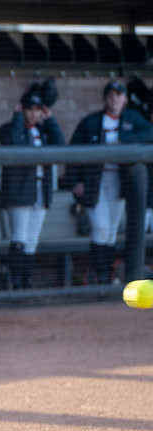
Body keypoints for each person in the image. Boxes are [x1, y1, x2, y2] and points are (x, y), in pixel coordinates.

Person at [67, 79, 153, 285]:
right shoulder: (91, 121)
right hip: (94, 180)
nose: (115, 99)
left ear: (124, 99)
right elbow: (71, 153)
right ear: (105, 98)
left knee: (111, 230)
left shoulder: (131, 118)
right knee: (100, 228)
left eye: (119, 95)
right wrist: (75, 182)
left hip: (120, 180)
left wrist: (124, 140)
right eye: (111, 95)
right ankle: (102, 276)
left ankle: (108, 277)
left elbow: (149, 132)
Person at [0, 83, 66, 289]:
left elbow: (61, 145)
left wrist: (51, 119)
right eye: (29, 109)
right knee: (19, 237)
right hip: (19, 190)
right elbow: (14, 143)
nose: (33, 114)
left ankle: (25, 282)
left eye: (37, 110)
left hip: (41, 189)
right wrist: (17, 117)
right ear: (22, 109)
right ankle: (15, 283)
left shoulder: (43, 131)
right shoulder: (9, 128)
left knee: (32, 240)